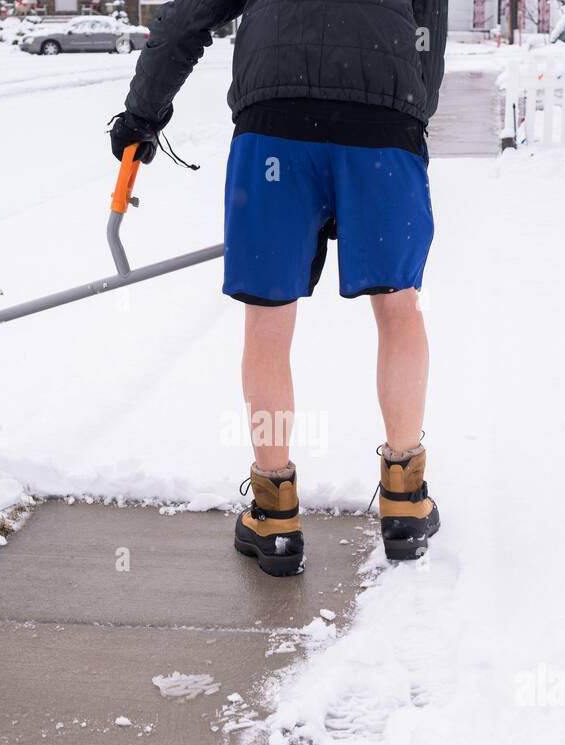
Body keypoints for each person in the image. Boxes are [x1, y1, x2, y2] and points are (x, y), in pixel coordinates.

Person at [110, 0, 446, 575]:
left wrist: (141, 115)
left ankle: (275, 514)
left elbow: (183, 24)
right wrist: (403, 117)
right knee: (398, 307)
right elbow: (428, 39)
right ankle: (405, 502)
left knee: (268, 320)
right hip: (384, 130)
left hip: (275, 128)